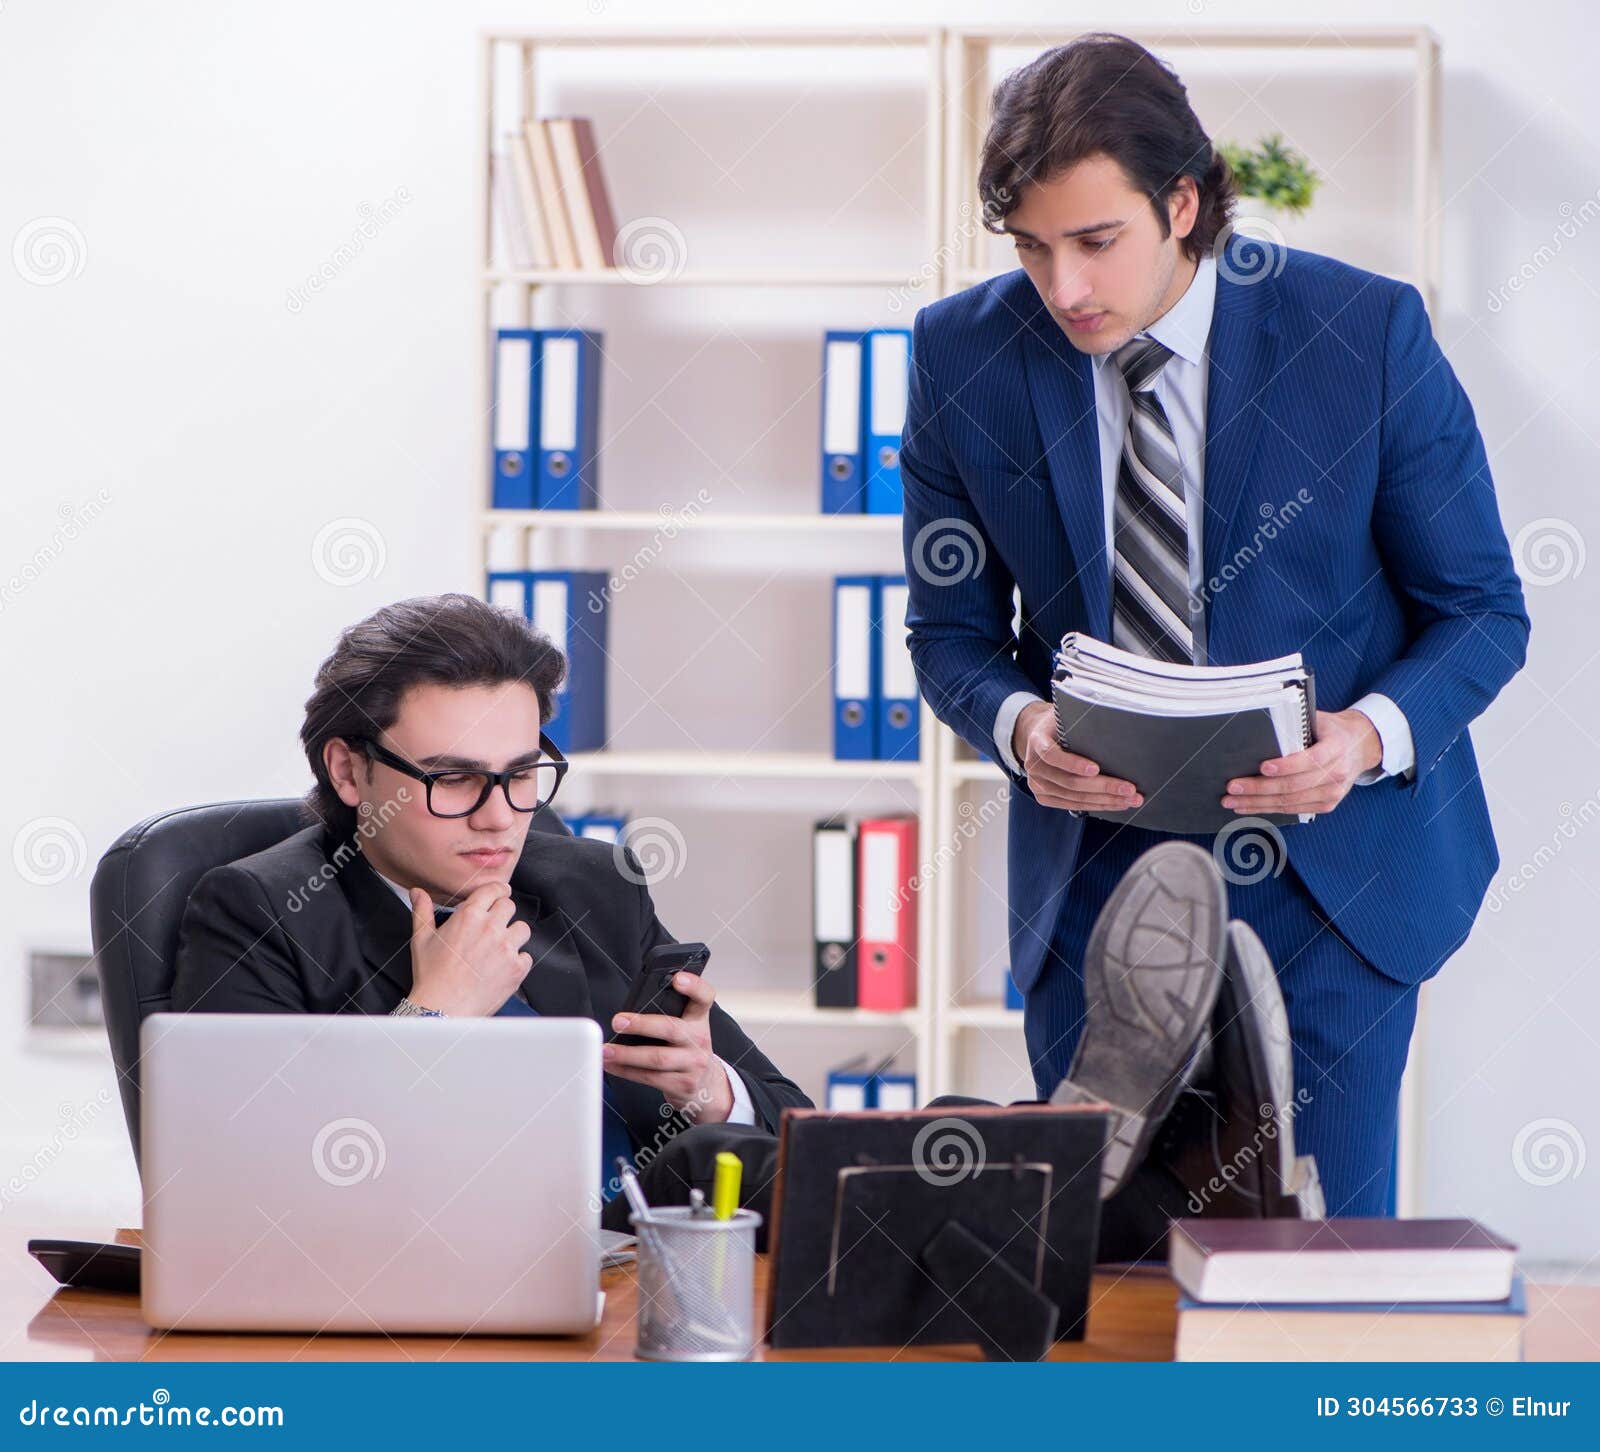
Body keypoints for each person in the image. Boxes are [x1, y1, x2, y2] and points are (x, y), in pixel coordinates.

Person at [898, 34, 1529, 1216]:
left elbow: (1482, 609)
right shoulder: (960, 354)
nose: (1064, 290)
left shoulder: (1363, 334)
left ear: (1182, 204)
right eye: (1032, 250)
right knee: (1105, 1276)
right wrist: (1023, 727)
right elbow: (949, 637)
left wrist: (1363, 739)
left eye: (1095, 242)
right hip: (1095, 889)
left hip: (1329, 884)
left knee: (1315, 1273)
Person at [172, 593, 811, 1196]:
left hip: (642, 1276)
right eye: (453, 778)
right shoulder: (258, 913)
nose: (499, 818)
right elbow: (250, 1189)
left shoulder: (595, 885)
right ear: (348, 771)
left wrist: (709, 1091)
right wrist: (434, 1019)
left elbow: (800, 1131)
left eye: (522, 774)